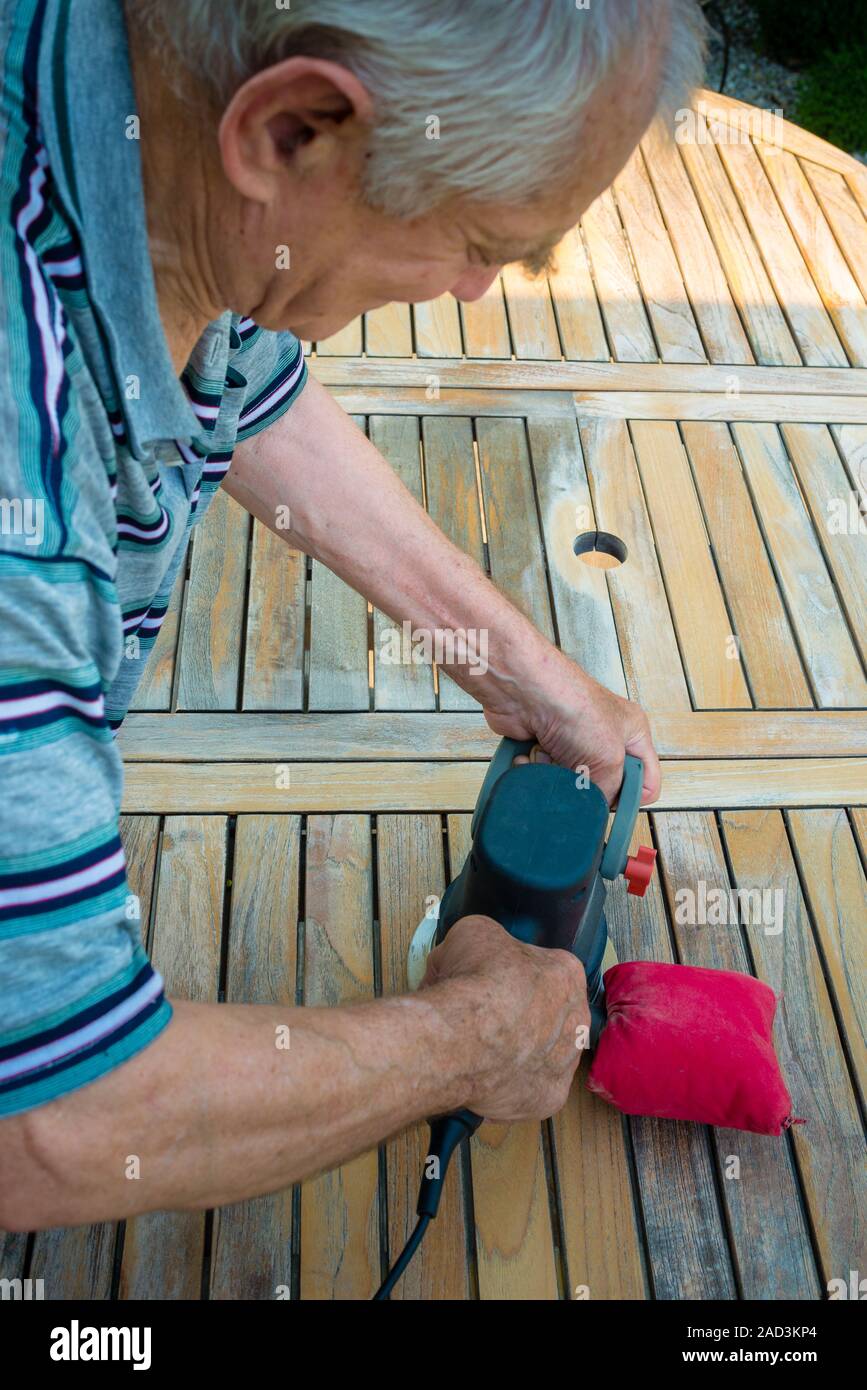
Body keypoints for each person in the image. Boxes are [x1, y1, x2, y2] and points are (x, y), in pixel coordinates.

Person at [0, 0, 703, 1231]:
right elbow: (46, 1122)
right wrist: (474, 1039)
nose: (478, 292)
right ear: (289, 129)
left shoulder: (130, 107)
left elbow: (234, 357)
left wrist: (524, 673)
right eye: (483, 239)